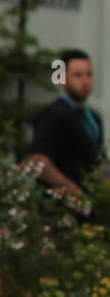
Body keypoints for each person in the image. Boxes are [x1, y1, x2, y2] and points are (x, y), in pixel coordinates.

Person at [27, 48, 104, 200]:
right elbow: (38, 160)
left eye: (89, 75)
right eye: (77, 75)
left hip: (89, 206)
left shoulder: (93, 117)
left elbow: (98, 160)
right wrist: (71, 189)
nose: (85, 81)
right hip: (58, 207)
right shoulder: (54, 114)